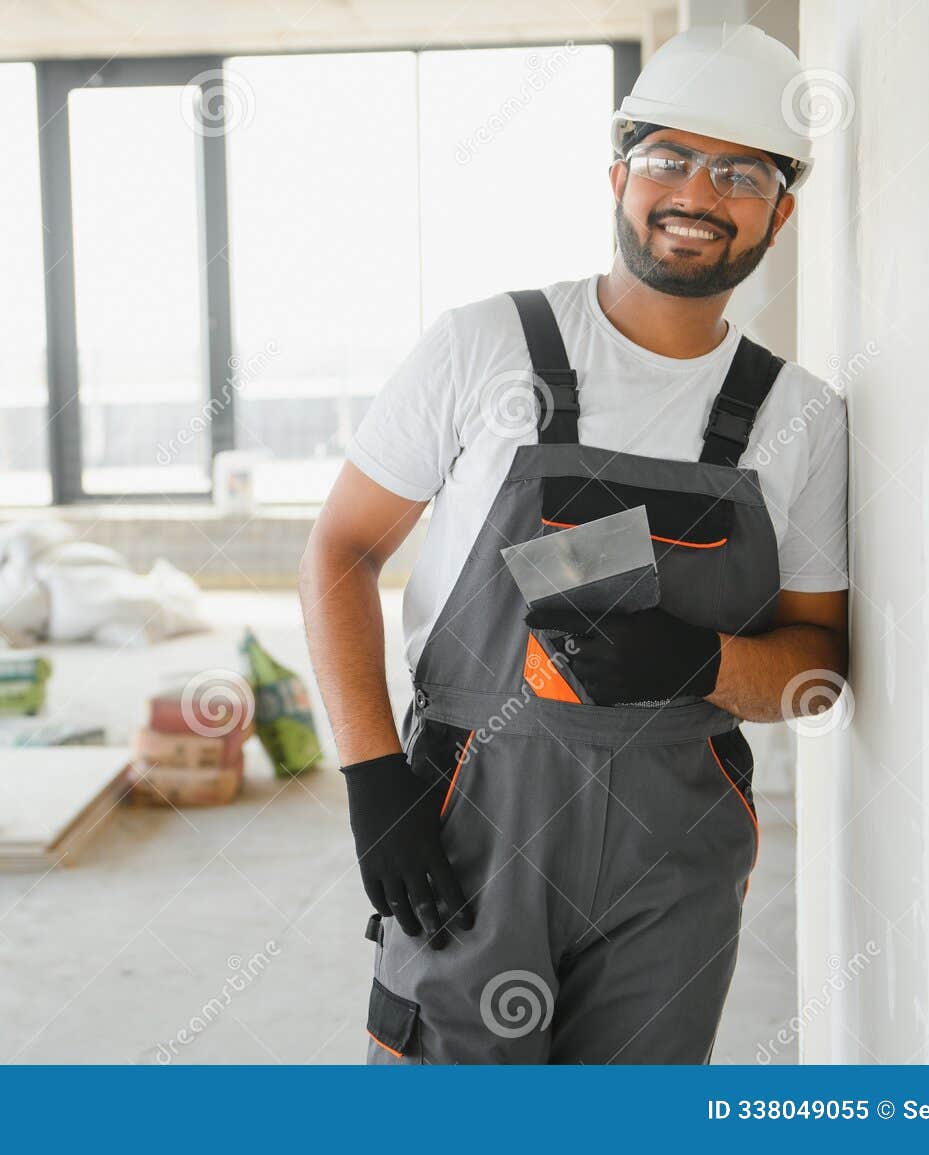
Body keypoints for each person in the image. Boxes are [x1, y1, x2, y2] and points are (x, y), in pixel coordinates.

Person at [300, 24, 849, 1064]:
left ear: (779, 212)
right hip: (473, 823)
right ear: (616, 175)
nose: (695, 192)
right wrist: (372, 776)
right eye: (666, 159)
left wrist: (705, 663)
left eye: (737, 172)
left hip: (675, 843)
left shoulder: (798, 416)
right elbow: (339, 552)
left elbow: (819, 667)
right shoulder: (484, 346)